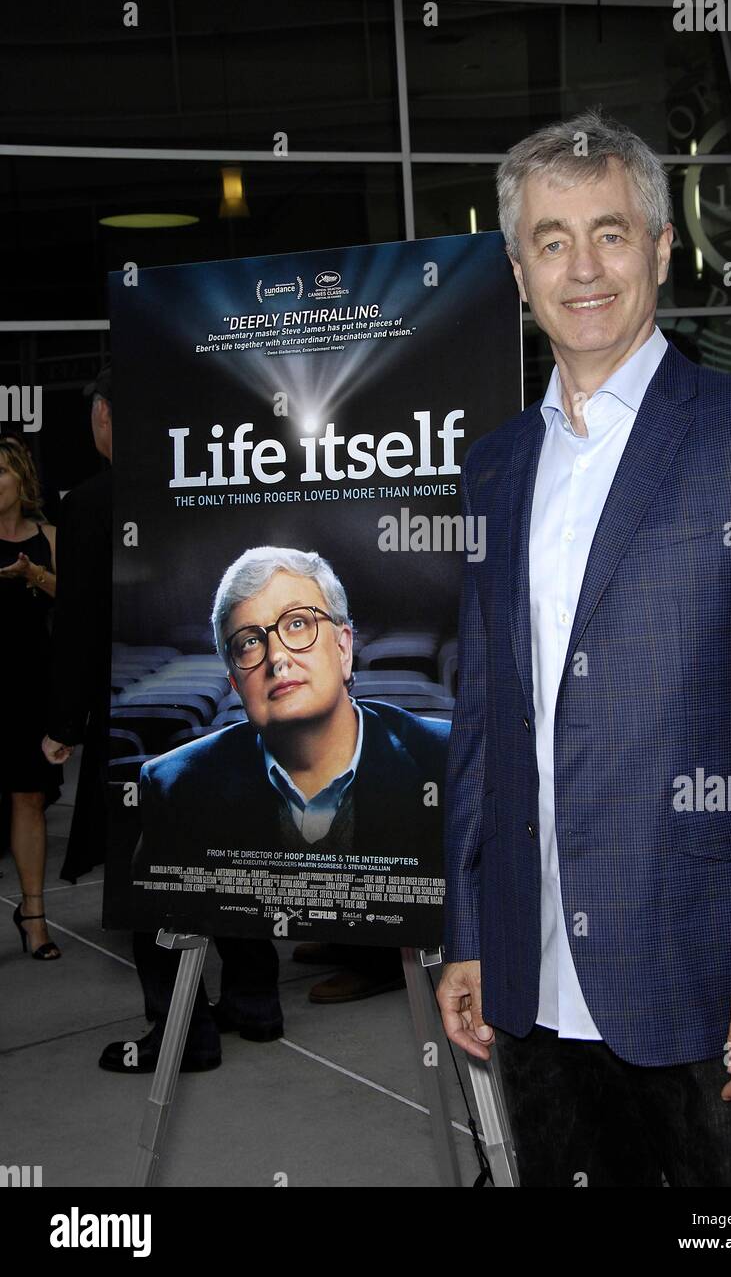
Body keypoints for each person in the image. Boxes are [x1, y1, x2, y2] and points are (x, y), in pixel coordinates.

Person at [437, 109, 731, 1187]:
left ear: (662, 251)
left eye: (610, 232)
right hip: (533, 988)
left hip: (716, 991)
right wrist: (470, 929)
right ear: (517, 269)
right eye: (549, 240)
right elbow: (481, 722)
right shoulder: (492, 468)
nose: (582, 267)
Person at [101, 546, 445, 1072]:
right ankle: (203, 1023)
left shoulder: (442, 757)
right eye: (249, 643)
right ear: (236, 682)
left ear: (344, 646)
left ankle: (254, 1001)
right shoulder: (174, 780)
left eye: (299, 624)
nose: (277, 656)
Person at [41, 366, 113, 882]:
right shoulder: (195, 484)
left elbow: (79, 618)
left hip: (120, 707)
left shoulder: (88, 504)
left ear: (104, 415)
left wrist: (66, 721)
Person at [0, 436, 63, 959]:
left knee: (29, 798)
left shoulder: (47, 536)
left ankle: (35, 916)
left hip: (30, 682)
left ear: (21, 480)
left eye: (0, 472)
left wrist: (32, 574)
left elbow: (77, 596)